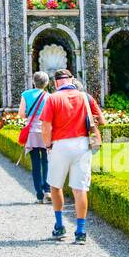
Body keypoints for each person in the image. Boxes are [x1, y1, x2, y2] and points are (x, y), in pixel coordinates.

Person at [38, 69, 105, 244]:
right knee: (80, 189)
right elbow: (102, 120)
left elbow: (46, 127)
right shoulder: (85, 97)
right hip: (82, 145)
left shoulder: (52, 98)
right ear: (71, 80)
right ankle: (81, 231)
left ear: (56, 82)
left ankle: (60, 226)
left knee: (55, 185)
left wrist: (48, 145)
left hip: (60, 145)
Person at [19, 71, 51, 202]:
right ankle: (47, 190)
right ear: (47, 83)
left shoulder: (26, 94)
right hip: (46, 131)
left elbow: (21, 114)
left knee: (35, 164)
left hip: (32, 132)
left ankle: (39, 194)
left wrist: (30, 116)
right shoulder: (49, 97)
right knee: (47, 161)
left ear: (34, 81)